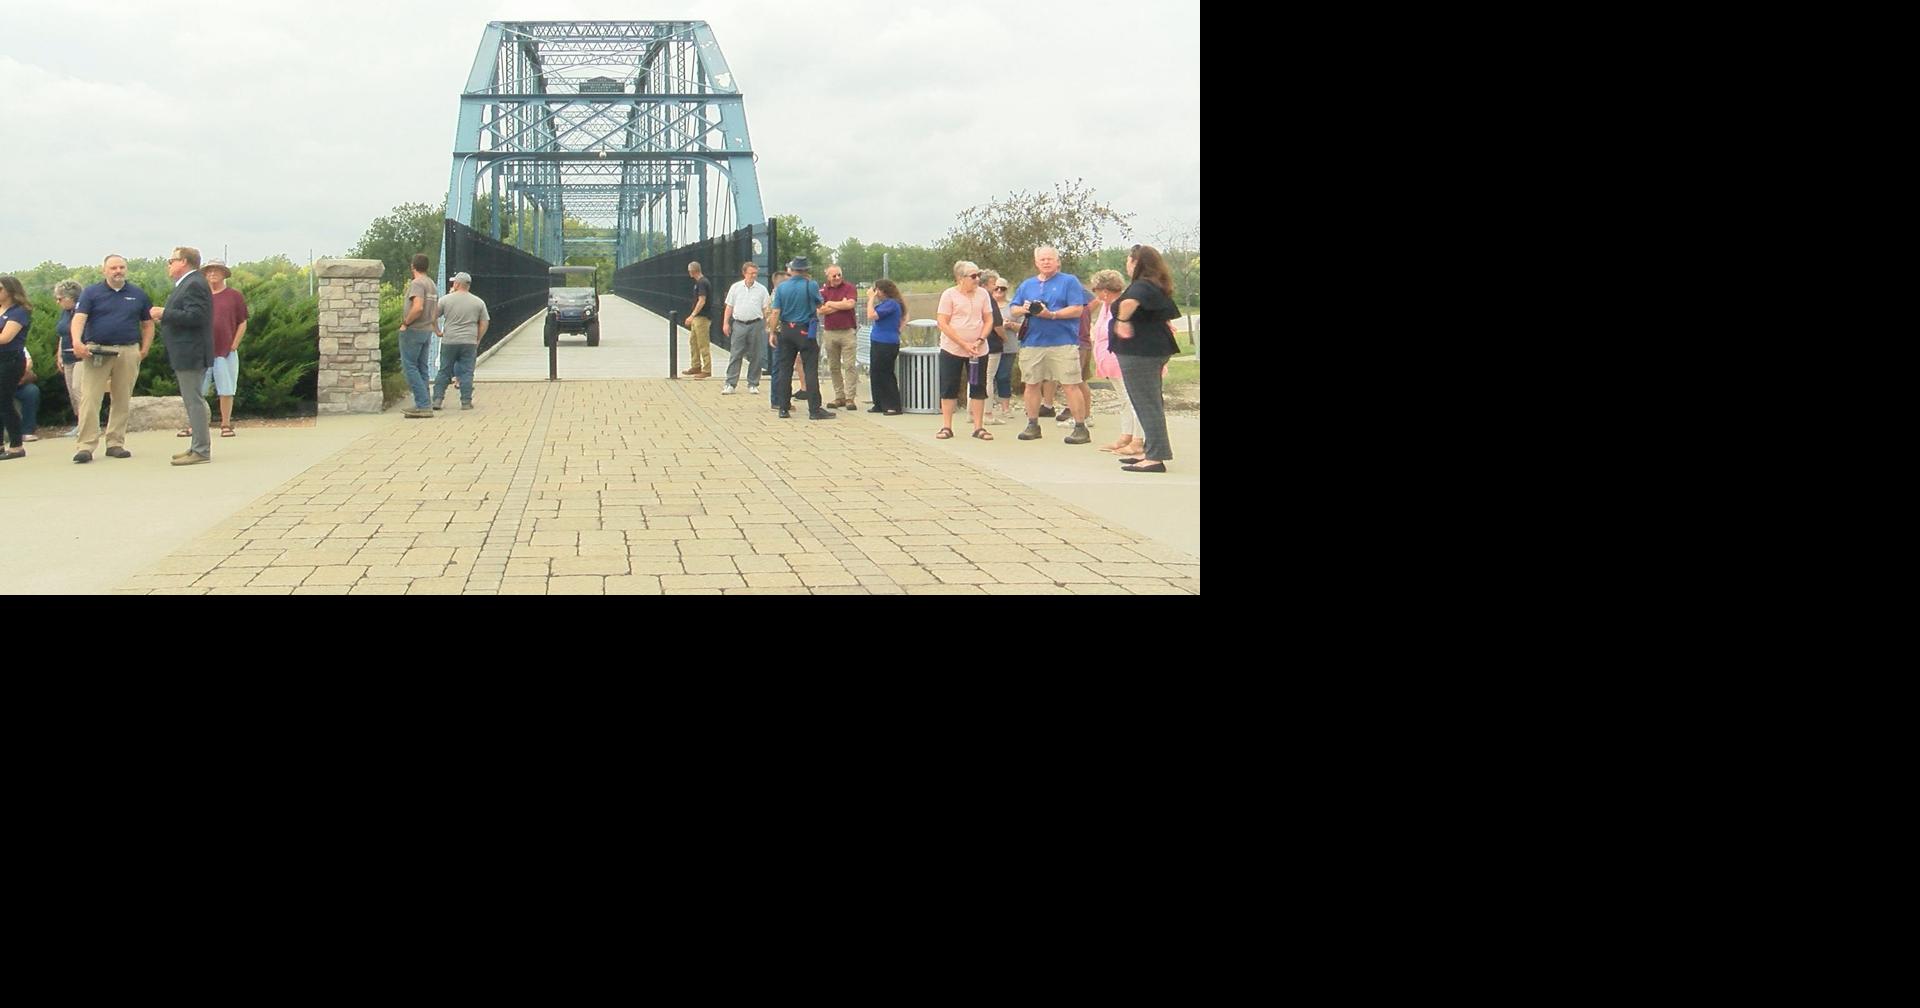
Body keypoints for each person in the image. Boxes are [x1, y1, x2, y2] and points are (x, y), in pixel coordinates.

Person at [70, 253, 154, 463]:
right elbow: (79, 319)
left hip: (128, 350)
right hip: (97, 351)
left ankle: (116, 443)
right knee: (90, 398)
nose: (118, 271)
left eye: (121, 267)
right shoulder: (91, 293)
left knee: (122, 398)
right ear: (104, 271)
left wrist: (144, 349)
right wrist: (77, 342)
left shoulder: (137, 294)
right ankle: (86, 446)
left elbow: (148, 323)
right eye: (113, 268)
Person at [1009, 245, 1091, 444]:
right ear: (1036, 262)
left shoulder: (1069, 281)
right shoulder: (1027, 285)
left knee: (1070, 384)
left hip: (1063, 342)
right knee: (1031, 384)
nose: (1046, 262)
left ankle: (1081, 426)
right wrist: (1025, 309)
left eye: (1049, 259)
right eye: (1042, 259)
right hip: (1032, 342)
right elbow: (1013, 308)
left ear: (1058, 261)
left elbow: (1077, 309)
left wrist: (1051, 314)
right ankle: (1032, 424)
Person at [1112, 245, 1181, 473]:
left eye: (1128, 260)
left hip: (1140, 352)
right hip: (1152, 348)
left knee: (1146, 403)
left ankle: (1155, 457)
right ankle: (1151, 451)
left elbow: (1129, 303)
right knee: (1150, 401)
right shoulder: (1155, 284)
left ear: (1135, 262)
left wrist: (1122, 321)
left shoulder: (1142, 286)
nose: (1126, 264)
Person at [149, 246, 216, 465]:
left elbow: (196, 316)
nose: (169, 265)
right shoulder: (189, 283)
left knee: (193, 400)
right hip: (187, 351)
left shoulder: (194, 283)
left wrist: (164, 313)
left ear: (184, 262)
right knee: (190, 400)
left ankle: (201, 450)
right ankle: (196, 446)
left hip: (191, 352)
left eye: (171, 260)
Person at [768, 257, 835, 420]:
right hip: (805, 331)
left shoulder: (782, 287)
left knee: (785, 369)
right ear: (806, 270)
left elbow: (775, 312)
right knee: (810, 369)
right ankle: (814, 409)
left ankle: (783, 408)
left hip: (786, 330)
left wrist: (772, 332)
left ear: (792, 270)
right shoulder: (810, 285)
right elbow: (820, 306)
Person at [1087, 269, 1144, 457]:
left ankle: (1138, 439)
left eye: (1096, 289)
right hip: (1108, 360)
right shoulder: (1106, 306)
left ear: (1104, 290)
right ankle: (1126, 434)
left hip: (1120, 359)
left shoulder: (1121, 305)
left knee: (1132, 399)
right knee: (1123, 399)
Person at [935, 260, 992, 440]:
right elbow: (942, 322)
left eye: (979, 275)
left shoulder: (982, 294)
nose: (977, 280)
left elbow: (989, 319)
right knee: (949, 386)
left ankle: (978, 427)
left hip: (978, 350)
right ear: (960, 278)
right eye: (973, 276)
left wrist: (980, 339)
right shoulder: (949, 295)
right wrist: (963, 343)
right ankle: (946, 426)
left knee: (978, 386)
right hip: (952, 348)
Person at [198, 258, 247, 438]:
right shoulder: (200, 296)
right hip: (202, 351)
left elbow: (242, 322)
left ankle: (226, 424)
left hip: (225, 350)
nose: (213, 274)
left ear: (224, 274)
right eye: (209, 271)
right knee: (198, 390)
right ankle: (196, 425)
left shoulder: (234, 296)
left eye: (217, 271)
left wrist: (235, 343)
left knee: (226, 389)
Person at [432, 271, 489, 409]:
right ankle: (465, 401)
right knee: (467, 372)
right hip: (469, 341)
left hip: (449, 340)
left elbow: (432, 316)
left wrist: (437, 331)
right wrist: (478, 338)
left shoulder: (445, 300)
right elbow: (484, 322)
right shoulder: (478, 302)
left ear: (457, 284)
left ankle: (437, 400)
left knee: (444, 370)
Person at [398, 253, 438, 418]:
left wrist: (405, 323)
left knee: (410, 367)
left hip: (414, 330)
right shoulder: (432, 284)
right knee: (422, 367)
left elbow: (418, 307)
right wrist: (435, 327)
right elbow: (434, 310)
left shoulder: (417, 284)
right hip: (427, 330)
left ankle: (422, 405)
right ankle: (426, 402)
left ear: (413, 266)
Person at [720, 260, 768, 394]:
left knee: (756, 355)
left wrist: (768, 324)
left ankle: (753, 383)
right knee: (736, 353)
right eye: (751, 273)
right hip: (739, 323)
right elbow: (729, 306)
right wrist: (725, 323)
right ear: (744, 273)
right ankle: (730, 383)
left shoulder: (761, 289)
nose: (753, 276)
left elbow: (765, 309)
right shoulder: (735, 288)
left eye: (755, 274)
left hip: (756, 324)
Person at [816, 265, 859, 409]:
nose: (837, 278)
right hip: (830, 332)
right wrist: (841, 303)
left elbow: (850, 304)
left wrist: (830, 304)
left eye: (839, 275)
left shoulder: (850, 288)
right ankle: (839, 396)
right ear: (828, 277)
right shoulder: (823, 290)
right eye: (833, 276)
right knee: (834, 366)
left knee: (849, 365)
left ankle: (850, 398)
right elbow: (820, 310)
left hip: (848, 332)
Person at [865, 278, 907, 415]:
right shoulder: (885, 304)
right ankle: (879, 403)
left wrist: (871, 298)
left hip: (886, 343)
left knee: (885, 373)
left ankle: (893, 405)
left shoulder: (892, 304)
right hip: (878, 341)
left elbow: (871, 315)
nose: (875, 292)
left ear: (883, 291)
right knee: (875, 373)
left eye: (877, 290)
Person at [0, 275, 30, 459]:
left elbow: (5, 338)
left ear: (10, 291)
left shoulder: (18, 312)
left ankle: (16, 445)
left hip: (10, 360)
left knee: (4, 401)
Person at [984, 272, 1016, 425]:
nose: (998, 292)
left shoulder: (1012, 306)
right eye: (996, 288)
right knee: (988, 378)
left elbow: (1023, 326)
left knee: (1003, 377)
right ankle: (986, 410)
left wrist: (1010, 326)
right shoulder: (987, 303)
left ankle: (1005, 407)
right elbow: (994, 325)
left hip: (1007, 346)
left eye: (1002, 289)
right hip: (991, 345)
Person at [681, 261, 712, 378]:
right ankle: (696, 365)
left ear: (693, 271)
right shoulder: (699, 282)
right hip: (698, 318)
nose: (689, 273)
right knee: (693, 342)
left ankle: (707, 369)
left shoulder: (702, 283)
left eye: (689, 271)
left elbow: (702, 300)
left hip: (702, 317)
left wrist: (692, 315)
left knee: (703, 343)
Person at [14, 347, 41, 444]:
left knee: (31, 391)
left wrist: (21, 373)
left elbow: (28, 362)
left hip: (17, 382)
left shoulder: (16, 343)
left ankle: (27, 431)